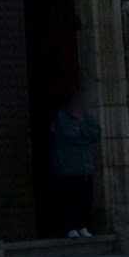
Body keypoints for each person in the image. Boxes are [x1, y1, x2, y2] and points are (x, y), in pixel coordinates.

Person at [50, 89, 101, 238]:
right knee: (69, 199)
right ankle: (70, 228)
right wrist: (85, 134)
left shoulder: (85, 117)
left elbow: (96, 133)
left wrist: (82, 127)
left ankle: (82, 226)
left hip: (85, 167)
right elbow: (68, 135)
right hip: (68, 168)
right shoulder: (61, 118)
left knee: (85, 199)